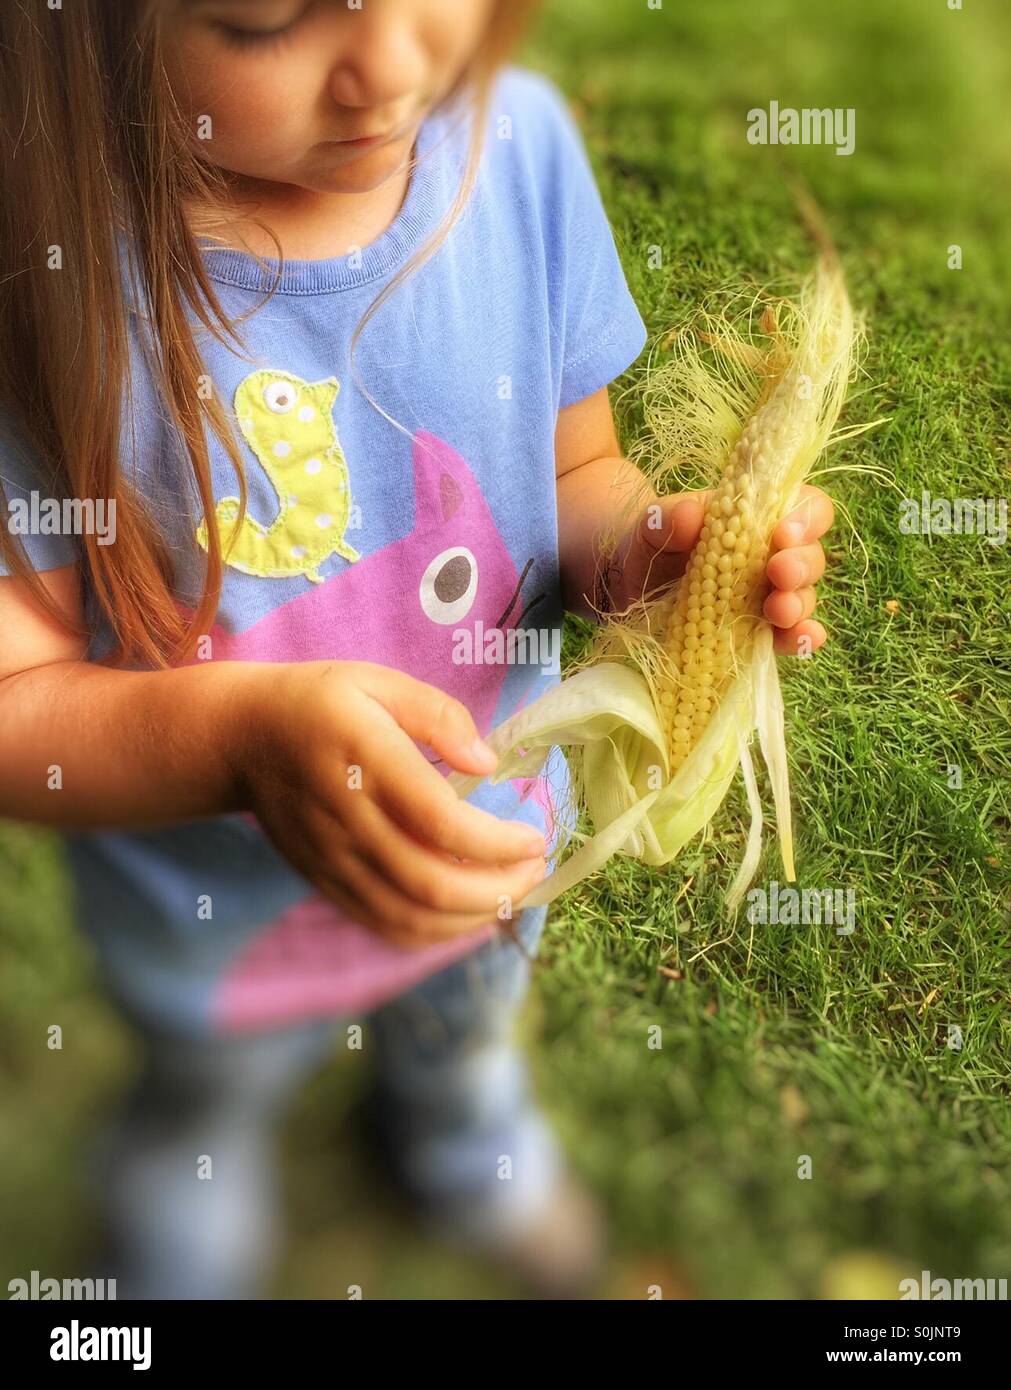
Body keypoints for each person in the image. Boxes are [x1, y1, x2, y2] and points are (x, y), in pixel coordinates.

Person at [0, 0, 834, 1299]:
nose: (391, 67)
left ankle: (461, 1139)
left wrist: (649, 561)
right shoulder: (47, 288)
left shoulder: (523, 157)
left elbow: (575, 474)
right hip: (221, 934)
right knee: (206, 1095)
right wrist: (239, 742)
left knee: (470, 1032)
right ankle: (188, 1167)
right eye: (270, 18)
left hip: (488, 849)